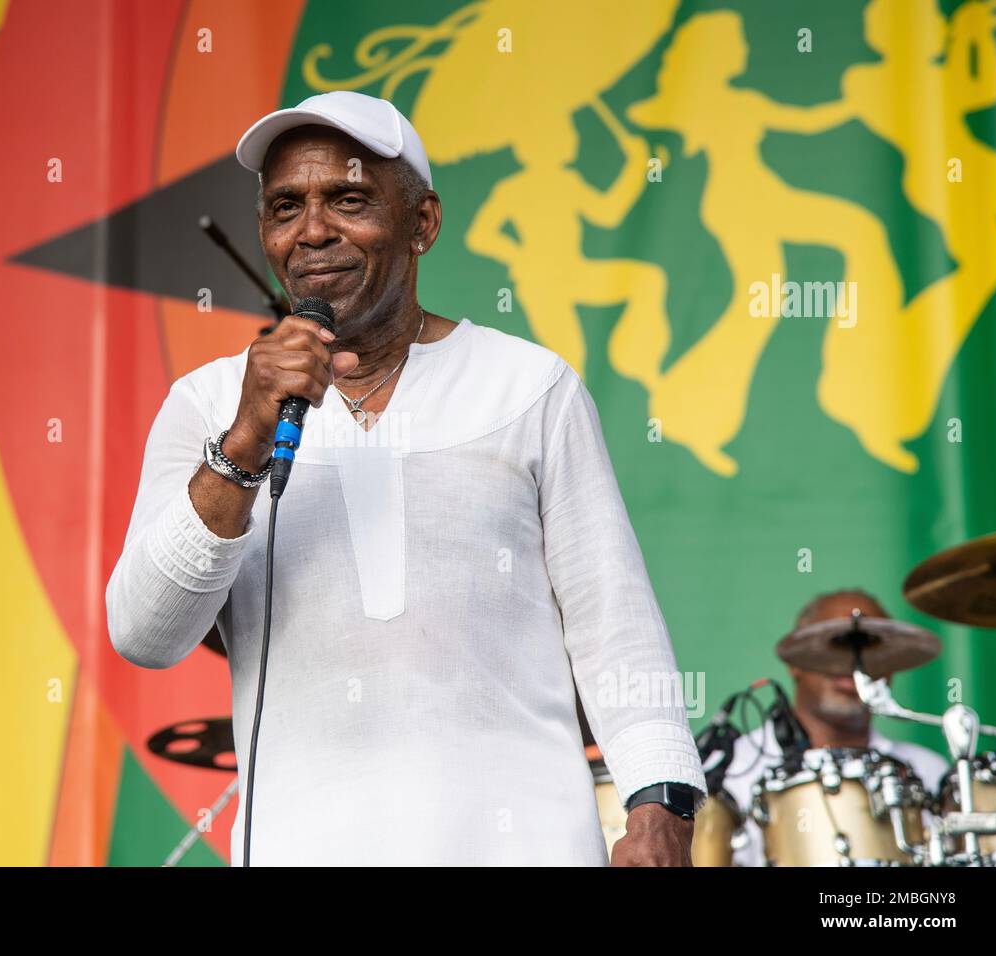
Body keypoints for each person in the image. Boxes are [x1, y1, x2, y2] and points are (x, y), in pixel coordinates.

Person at [105, 90, 704, 865]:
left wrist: (660, 804)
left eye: (348, 199)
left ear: (422, 223)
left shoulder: (528, 387)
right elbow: (145, 634)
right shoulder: (209, 404)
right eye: (286, 207)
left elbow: (613, 622)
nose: (313, 230)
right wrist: (246, 438)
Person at [723, 589, 949, 866]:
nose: (853, 662)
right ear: (795, 662)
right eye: (837, 643)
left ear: (891, 667)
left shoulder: (929, 771)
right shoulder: (734, 768)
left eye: (869, 645)